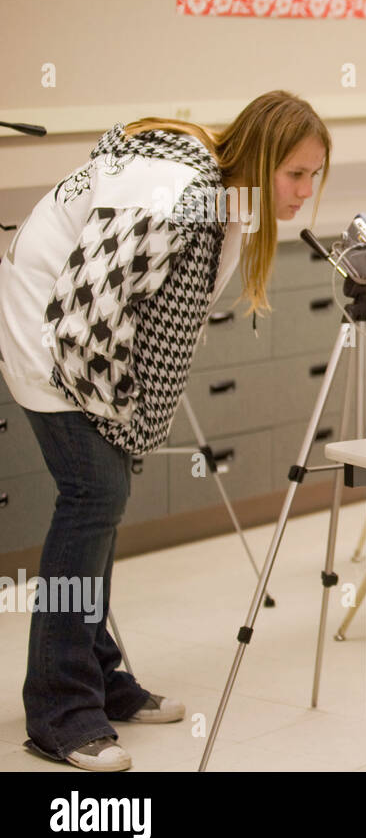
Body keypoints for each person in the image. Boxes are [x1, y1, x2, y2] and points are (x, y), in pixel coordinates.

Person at [0, 90, 330, 771]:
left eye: (315, 176)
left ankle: (99, 678)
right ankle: (59, 715)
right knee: (93, 498)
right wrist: (116, 407)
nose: (305, 192)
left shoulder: (225, 200)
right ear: (262, 159)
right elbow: (89, 306)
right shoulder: (179, 189)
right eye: (296, 174)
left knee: (102, 505)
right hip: (50, 339)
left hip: (81, 343)